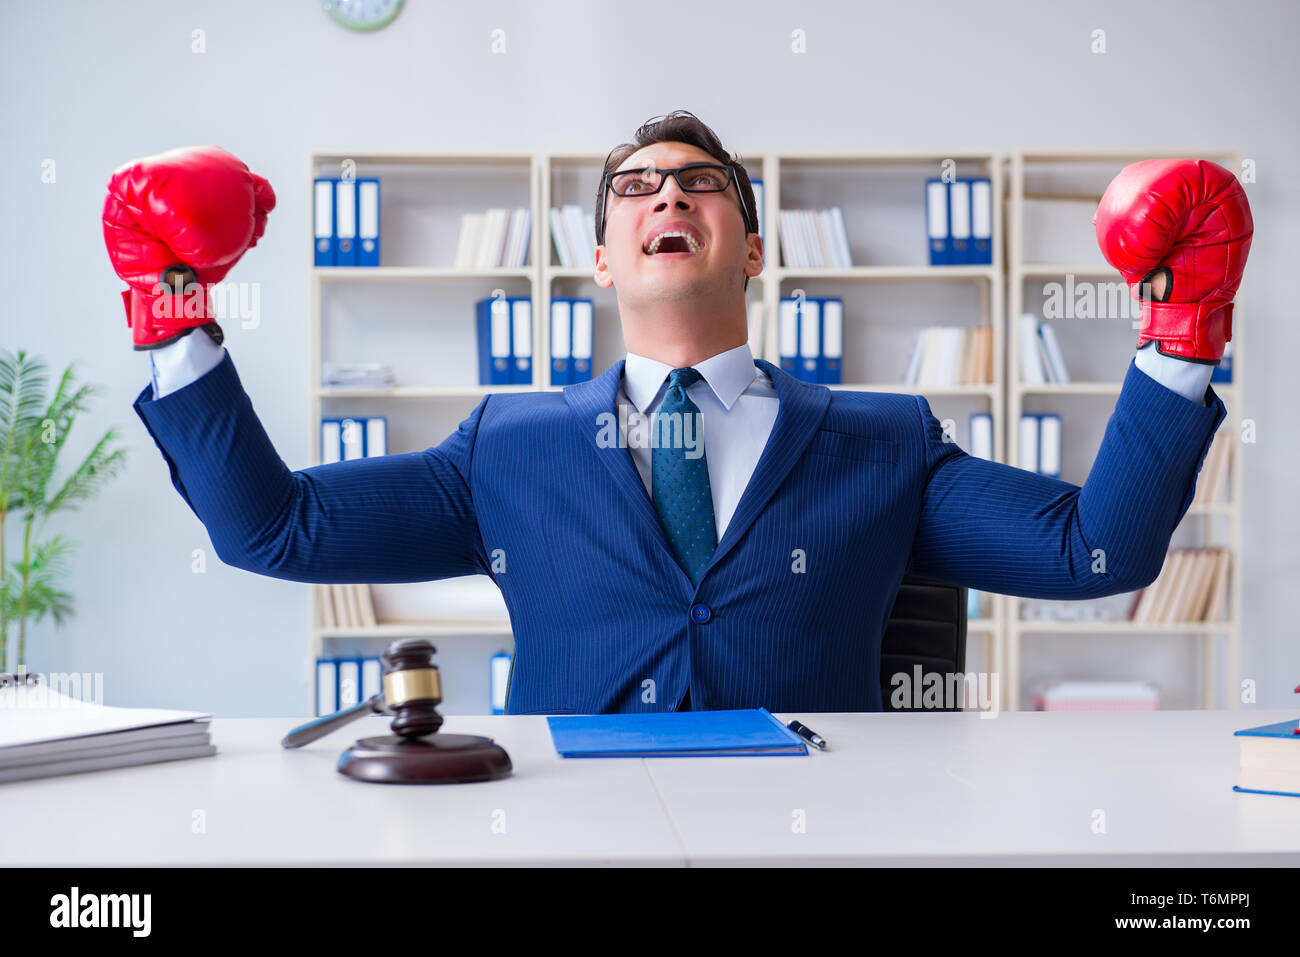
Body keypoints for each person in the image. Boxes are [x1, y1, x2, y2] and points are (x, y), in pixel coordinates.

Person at [104, 111, 1251, 715]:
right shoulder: (506, 445)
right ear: (600, 259)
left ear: (753, 248)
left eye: (699, 183)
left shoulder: (883, 440)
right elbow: (271, 532)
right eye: (635, 188)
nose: (665, 194)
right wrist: (171, 315)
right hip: (573, 845)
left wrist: (1185, 323)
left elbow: (1097, 550)